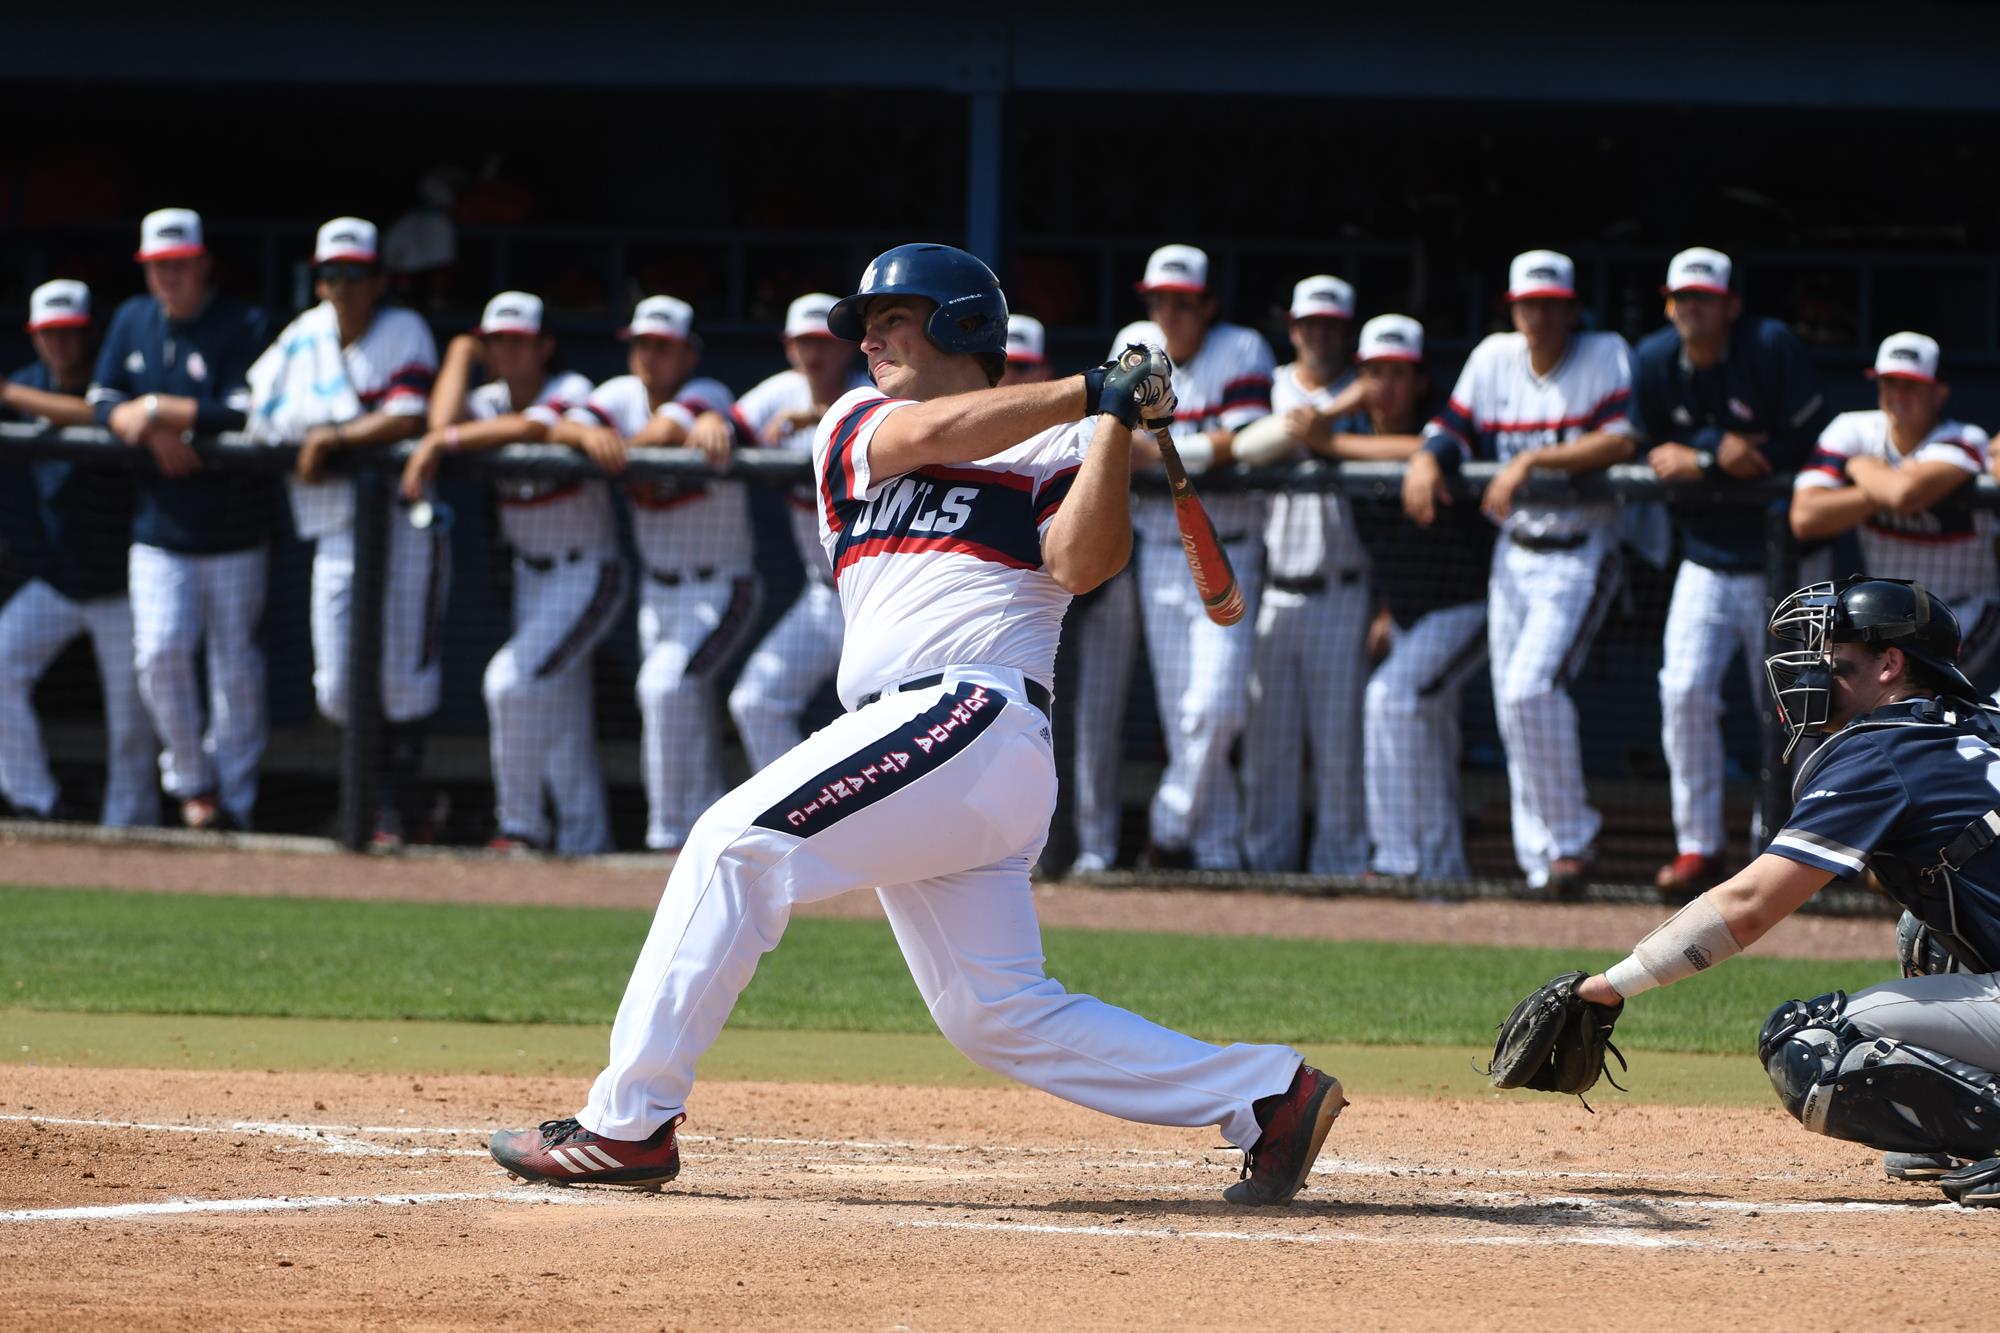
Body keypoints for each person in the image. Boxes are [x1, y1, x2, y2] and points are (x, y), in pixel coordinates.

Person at [490, 243, 1345, 1208]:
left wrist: (1110, 421)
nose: (869, 338)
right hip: (932, 742)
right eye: (865, 324)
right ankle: (1268, 1093)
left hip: (971, 711)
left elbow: (1081, 562)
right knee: (994, 1012)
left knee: (733, 844)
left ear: (961, 326)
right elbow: (931, 433)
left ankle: (626, 1124)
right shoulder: (857, 420)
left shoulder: (1058, 444)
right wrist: (1090, 387)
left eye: (892, 319)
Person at [1560, 577, 2000, 1209]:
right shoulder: (1978, 722)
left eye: (1834, 656)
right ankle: (1954, 1131)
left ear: (1891, 664)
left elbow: (1750, 905)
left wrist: (1608, 987)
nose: (1813, 671)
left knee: (1814, 1046)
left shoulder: (1881, 749)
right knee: (1925, 933)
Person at [1404, 249, 1636, 894]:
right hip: (1516, 553)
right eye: (1529, 305)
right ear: (1514, 308)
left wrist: (1533, 462)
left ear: (1571, 309)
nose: (1539, 317)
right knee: (1513, 708)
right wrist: (1428, 459)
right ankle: (1542, 862)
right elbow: (1450, 427)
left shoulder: (1604, 351)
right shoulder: (1493, 357)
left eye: (1551, 306)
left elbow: (1622, 439)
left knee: (1532, 689)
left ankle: (1572, 841)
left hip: (1579, 549)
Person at [1636, 248, 1828, 898]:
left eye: (1706, 298)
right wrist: (1710, 453)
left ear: (1731, 304)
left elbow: (1809, 441)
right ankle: (1697, 844)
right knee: (1683, 690)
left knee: (1789, 707)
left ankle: (1788, 845)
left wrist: (1722, 458)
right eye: (1682, 298)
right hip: (1706, 555)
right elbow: (1647, 443)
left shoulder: (1770, 345)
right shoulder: (1656, 359)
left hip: (1786, 558)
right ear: (1669, 304)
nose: (1693, 308)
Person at [248, 217, 444, 847]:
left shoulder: (403, 330)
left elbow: (409, 414)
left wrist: (330, 436)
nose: (342, 286)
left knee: (402, 677)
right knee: (334, 683)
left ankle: (396, 808)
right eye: (331, 275)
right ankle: (365, 800)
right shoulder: (303, 338)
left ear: (378, 280)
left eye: (354, 275)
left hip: (402, 524)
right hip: (335, 525)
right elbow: (257, 408)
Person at [406, 290, 625, 854]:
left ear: (543, 345)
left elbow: (534, 428)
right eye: (496, 342)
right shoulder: (486, 400)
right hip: (531, 577)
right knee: (561, 716)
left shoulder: (569, 389)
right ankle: (586, 842)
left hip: (586, 572)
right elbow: (440, 418)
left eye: (518, 342)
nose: (506, 352)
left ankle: (520, 825)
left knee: (510, 682)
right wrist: (460, 351)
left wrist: (443, 442)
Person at [88, 208, 273, 831]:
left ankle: (238, 803)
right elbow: (102, 399)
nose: (169, 277)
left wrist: (166, 411)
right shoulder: (132, 320)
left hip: (234, 530)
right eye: (158, 267)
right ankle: (194, 784)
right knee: (160, 651)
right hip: (160, 528)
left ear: (202, 265)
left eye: (179, 266)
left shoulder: (243, 323)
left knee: (235, 670)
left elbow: (250, 412)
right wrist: (136, 423)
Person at [568, 296, 753, 853]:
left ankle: (672, 837)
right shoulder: (618, 396)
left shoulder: (710, 396)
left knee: (664, 688)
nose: (650, 355)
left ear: (687, 354)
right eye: (642, 344)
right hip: (657, 591)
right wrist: (582, 437)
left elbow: (663, 434)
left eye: (663, 346)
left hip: (721, 585)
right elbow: (559, 430)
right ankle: (705, 829)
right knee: (679, 704)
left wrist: (619, 445)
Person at [1110, 244, 1275, 869]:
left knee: (1216, 707)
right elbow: (1114, 438)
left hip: (1228, 549)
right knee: (1185, 717)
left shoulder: (1242, 349)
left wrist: (1168, 451)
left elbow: (1253, 441)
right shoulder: (1133, 341)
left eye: (1183, 303)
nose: (1169, 313)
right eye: (1159, 300)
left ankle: (1170, 827)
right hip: (1159, 553)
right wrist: (1202, 448)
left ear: (1207, 305)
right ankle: (1216, 853)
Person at [1332, 316, 1496, 880]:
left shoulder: (1445, 432)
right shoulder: (1349, 427)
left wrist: (1328, 438)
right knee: (1427, 737)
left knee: (1389, 700)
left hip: (1466, 606)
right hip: (1406, 613)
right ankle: (1444, 875)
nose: (1386, 386)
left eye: (1399, 374)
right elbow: (1294, 429)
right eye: (1375, 373)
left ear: (1421, 379)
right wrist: (1335, 415)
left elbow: (1436, 444)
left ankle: (1397, 859)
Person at [0, 280, 156, 825]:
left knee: (132, 720)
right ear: (34, 337)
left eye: (69, 333)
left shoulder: (116, 381)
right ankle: (38, 802)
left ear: (88, 334)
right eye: (49, 334)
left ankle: (126, 830)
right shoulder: (24, 382)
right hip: (57, 582)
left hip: (122, 584)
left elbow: (98, 414)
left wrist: (9, 395)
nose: (60, 345)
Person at [1240, 275, 1371, 874]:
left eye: (1331, 325)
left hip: (1343, 587)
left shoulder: (1366, 393)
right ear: (1292, 329)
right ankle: (1266, 866)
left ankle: (1341, 868)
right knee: (1268, 744)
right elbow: (1243, 448)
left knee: (1339, 744)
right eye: (1309, 324)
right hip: (1274, 586)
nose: (1319, 334)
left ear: (1345, 333)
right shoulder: (1265, 389)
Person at [1792, 332, 1998, 693]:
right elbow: (1806, 517)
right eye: (1890, 382)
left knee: (1920, 681)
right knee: (1830, 686)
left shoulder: (1965, 437)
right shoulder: (1853, 427)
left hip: (1968, 608)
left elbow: (1904, 494)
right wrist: (1881, 488)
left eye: (1912, 385)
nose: (1899, 394)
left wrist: (1860, 469)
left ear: (1939, 391)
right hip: (1886, 612)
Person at [725, 293, 865, 769]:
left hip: (875, 593)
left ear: (848, 346)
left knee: (887, 721)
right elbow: (726, 426)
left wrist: (817, 417)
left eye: (824, 341)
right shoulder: (780, 392)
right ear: (788, 347)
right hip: (822, 595)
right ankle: (796, 826)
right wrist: (706, 421)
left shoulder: (870, 389)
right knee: (755, 701)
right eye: (803, 342)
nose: (814, 353)